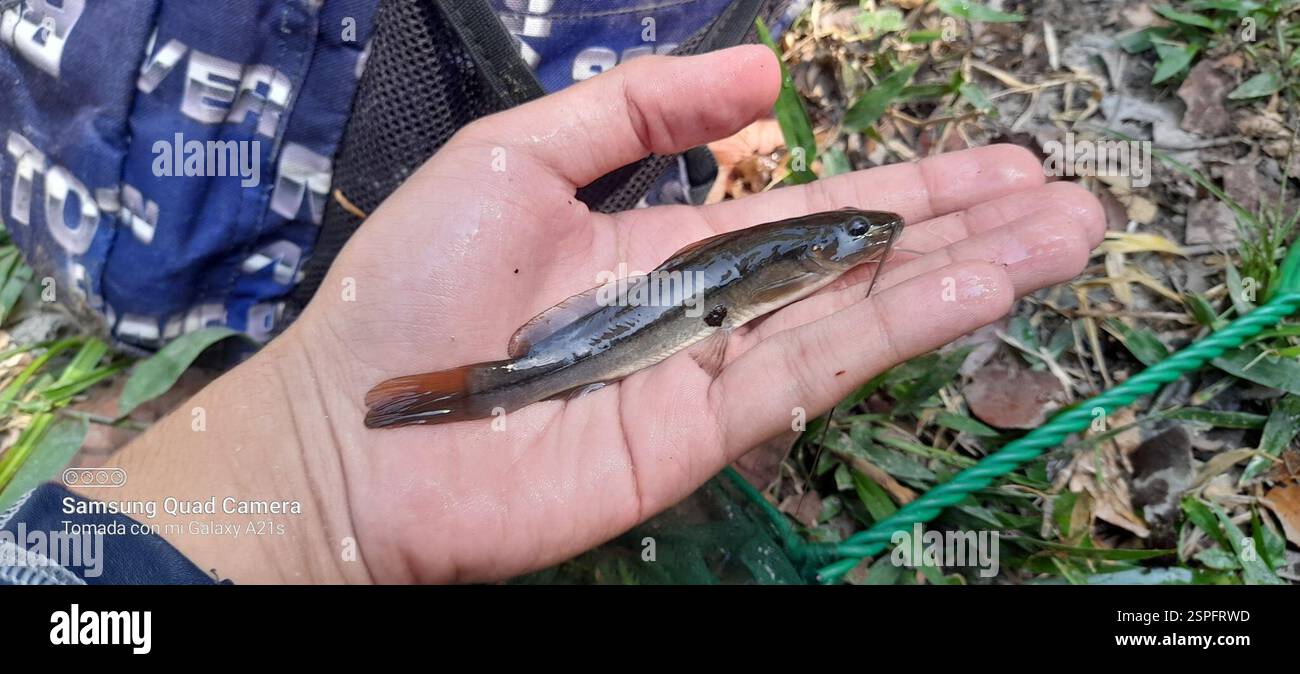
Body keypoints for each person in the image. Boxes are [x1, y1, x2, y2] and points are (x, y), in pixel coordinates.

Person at [3, 46, 1104, 584]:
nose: (846, 249)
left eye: (838, 247)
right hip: (616, 327)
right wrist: (311, 452)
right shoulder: (722, 283)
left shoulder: (747, 277)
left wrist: (307, 463)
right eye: (829, 245)